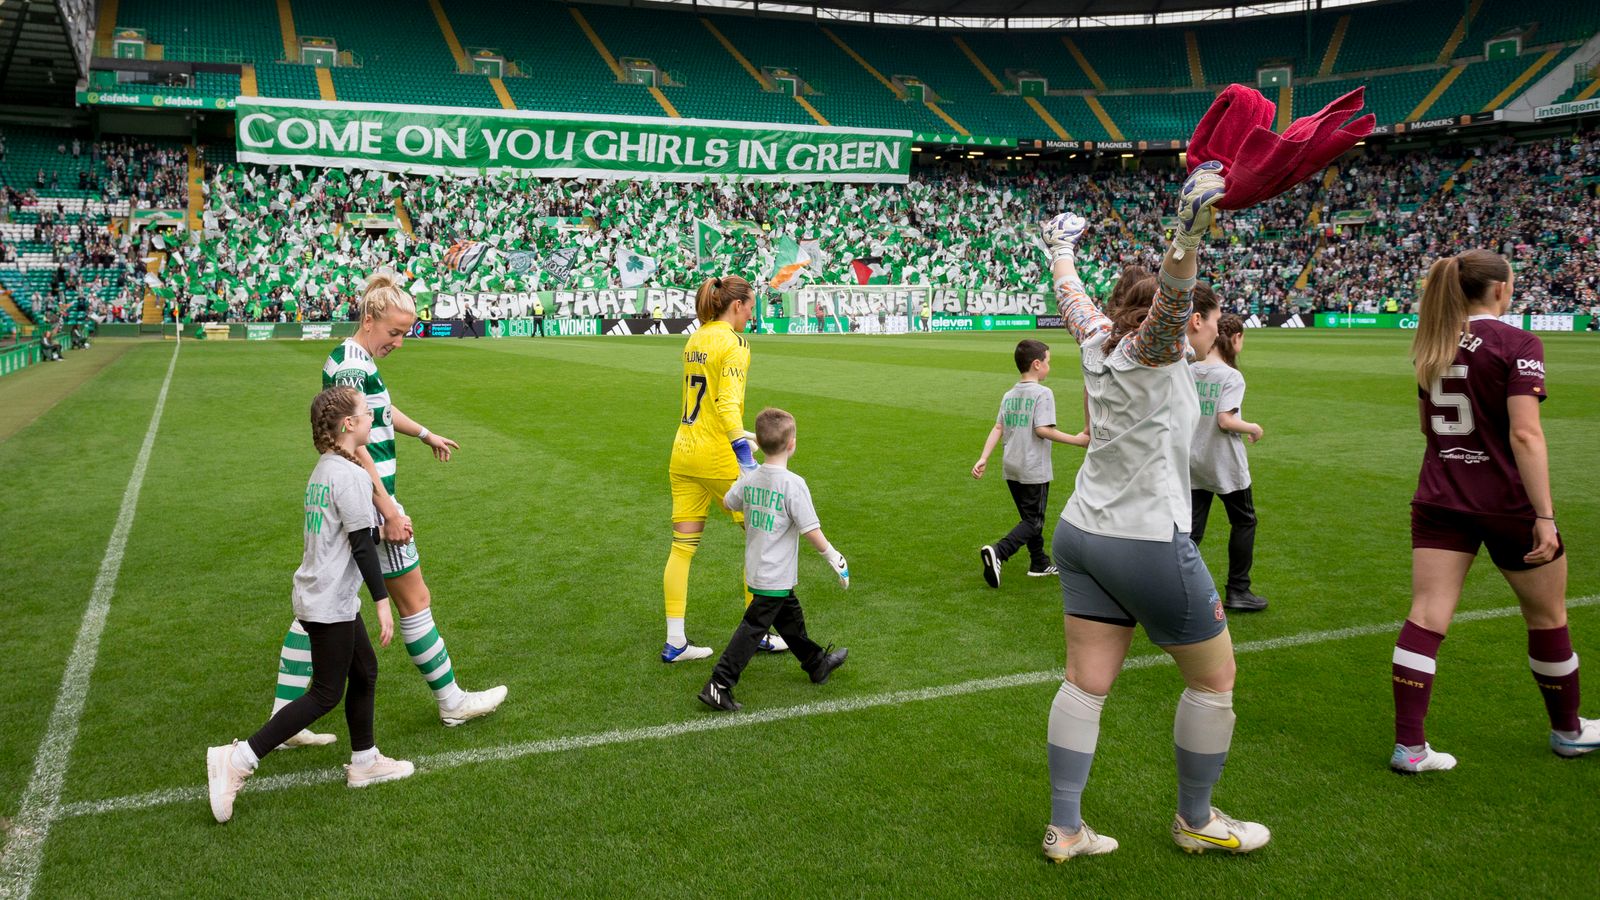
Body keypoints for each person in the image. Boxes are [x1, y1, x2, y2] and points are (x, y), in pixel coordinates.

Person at [1039, 162, 1270, 862]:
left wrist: (1060, 247)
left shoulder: (1094, 340)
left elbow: (1071, 294)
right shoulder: (1155, 350)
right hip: (1143, 538)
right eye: (1205, 317)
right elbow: (1173, 300)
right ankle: (1195, 819)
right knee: (1214, 679)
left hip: (1081, 532)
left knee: (1085, 683)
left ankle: (1065, 828)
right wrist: (1185, 237)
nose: (1206, 325)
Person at [267, 271, 506, 745]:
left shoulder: (352, 359)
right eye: (394, 332)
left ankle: (285, 717)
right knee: (414, 599)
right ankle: (451, 701)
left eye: (405, 333)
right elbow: (354, 443)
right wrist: (387, 508)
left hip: (353, 500)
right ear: (369, 320)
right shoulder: (351, 366)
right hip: (369, 504)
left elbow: (378, 413)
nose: (399, 342)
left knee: (320, 606)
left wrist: (425, 434)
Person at [1389, 248, 1598, 773]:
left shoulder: (1432, 344)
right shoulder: (1518, 342)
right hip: (1506, 502)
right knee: (1547, 616)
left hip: (1440, 496)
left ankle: (1410, 747)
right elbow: (1525, 434)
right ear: (1501, 288)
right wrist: (1544, 516)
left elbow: (1427, 427)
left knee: (1426, 616)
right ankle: (1568, 731)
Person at [206, 386, 414, 823]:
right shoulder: (352, 476)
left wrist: (385, 530)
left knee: (365, 671)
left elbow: (352, 535)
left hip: (324, 592)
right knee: (325, 693)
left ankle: (365, 761)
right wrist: (381, 601)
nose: (373, 418)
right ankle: (239, 759)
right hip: (329, 599)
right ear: (349, 425)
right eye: (366, 412)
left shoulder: (326, 469)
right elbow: (361, 546)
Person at [662, 276, 786, 661]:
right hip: (717, 457)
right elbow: (727, 405)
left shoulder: (695, 338)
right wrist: (746, 460)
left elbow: (707, 404)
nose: (752, 314)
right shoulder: (734, 344)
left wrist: (743, 436)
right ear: (736, 305)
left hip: (684, 452)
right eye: (750, 307)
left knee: (682, 548)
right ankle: (759, 634)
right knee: (761, 537)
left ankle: (675, 642)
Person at [698, 408, 851, 710]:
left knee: (790, 618)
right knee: (753, 627)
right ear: (791, 444)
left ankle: (816, 664)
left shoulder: (752, 477)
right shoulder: (793, 484)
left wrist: (745, 469)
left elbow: (729, 501)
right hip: (775, 572)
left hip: (759, 569)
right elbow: (810, 529)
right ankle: (719, 683)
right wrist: (835, 557)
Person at [972, 339, 1088, 586]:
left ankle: (1039, 562)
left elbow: (998, 427)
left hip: (1011, 466)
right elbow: (1042, 429)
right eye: (1048, 362)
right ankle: (999, 552)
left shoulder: (1009, 395)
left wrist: (983, 457)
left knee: (1029, 517)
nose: (1049, 367)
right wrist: (1077, 440)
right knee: (1034, 521)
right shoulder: (1043, 393)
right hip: (1032, 466)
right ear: (1037, 364)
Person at [1188, 312, 1267, 612]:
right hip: (1224, 462)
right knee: (1244, 521)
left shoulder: (1191, 370)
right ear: (1235, 338)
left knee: (1192, 530)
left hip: (1194, 458)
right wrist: (1253, 427)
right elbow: (1225, 420)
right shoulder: (1231, 376)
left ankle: (1177, 587)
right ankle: (1238, 589)